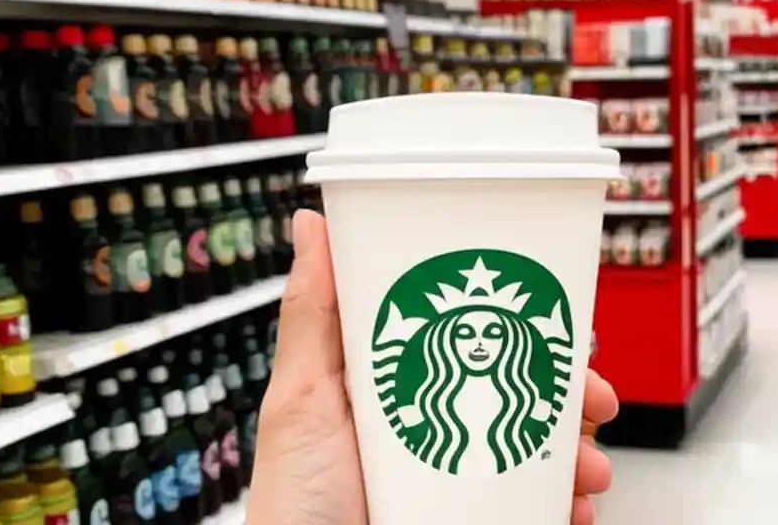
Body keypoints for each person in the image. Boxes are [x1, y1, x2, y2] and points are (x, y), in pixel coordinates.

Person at [246, 210, 619, 525]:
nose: (478, 344)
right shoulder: (418, 409)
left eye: (493, 332)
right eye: (464, 333)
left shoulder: (531, 405)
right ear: (442, 341)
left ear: (512, 340)